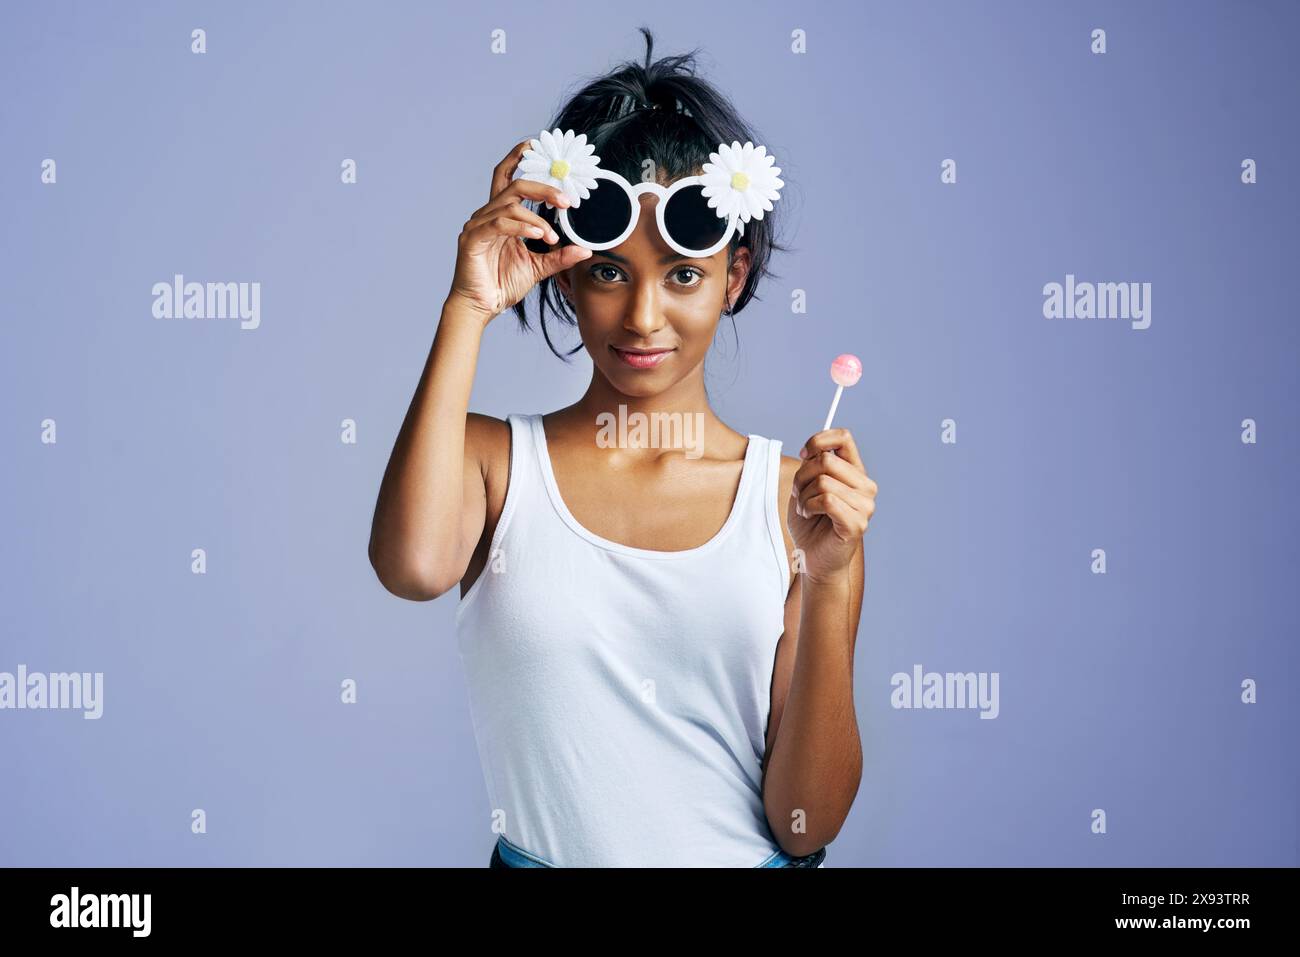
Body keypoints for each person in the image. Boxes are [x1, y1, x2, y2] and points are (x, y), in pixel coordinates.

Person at [368, 28, 877, 867]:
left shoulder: (802, 506)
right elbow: (412, 567)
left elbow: (806, 823)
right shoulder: (493, 466)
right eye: (609, 271)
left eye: (684, 273)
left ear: (734, 277)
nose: (644, 317)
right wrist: (468, 304)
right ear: (563, 272)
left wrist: (830, 580)